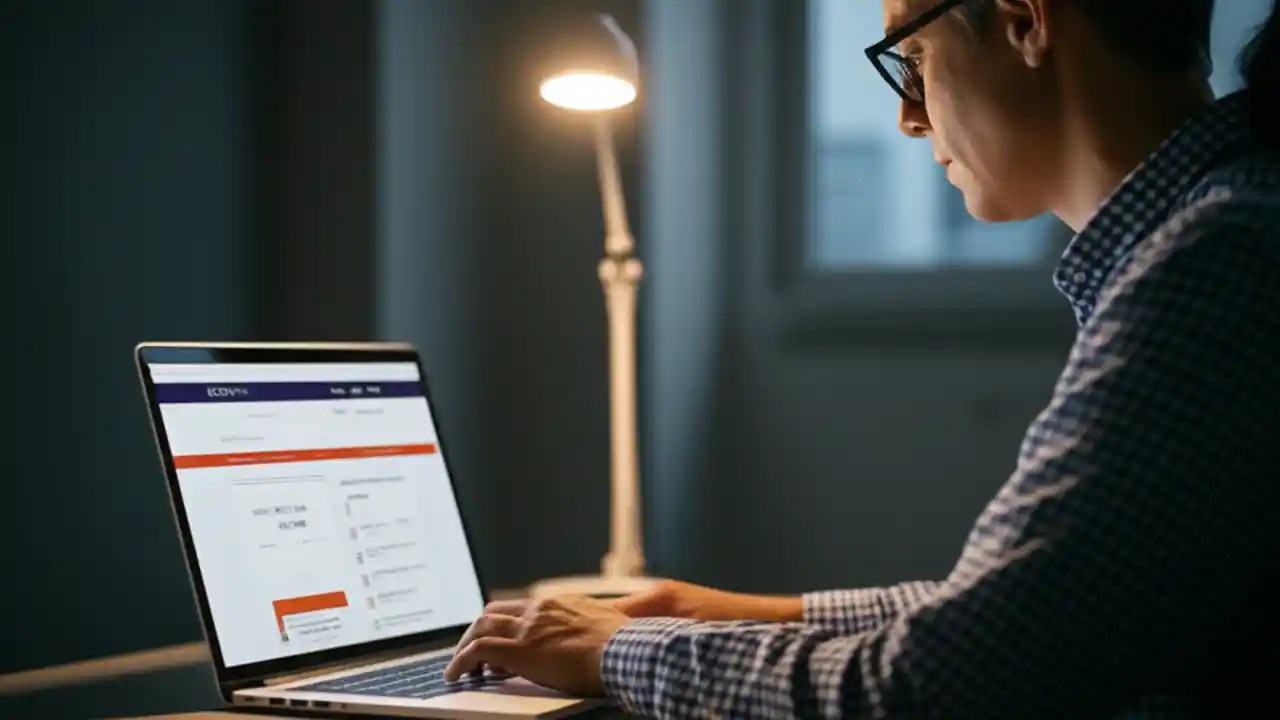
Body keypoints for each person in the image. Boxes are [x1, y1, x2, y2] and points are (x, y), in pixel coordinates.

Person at [445, 0, 1280, 716]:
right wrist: (737, 614)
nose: (909, 117)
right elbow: (1042, 608)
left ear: (1025, 18)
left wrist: (617, 653)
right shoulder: (1219, 228)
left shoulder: (1220, 260)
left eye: (913, 57)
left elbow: (938, 685)